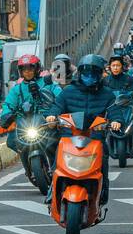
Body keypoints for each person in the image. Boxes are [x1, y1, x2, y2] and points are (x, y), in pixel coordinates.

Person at [52, 54, 125, 205]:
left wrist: (116, 121)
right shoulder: (68, 91)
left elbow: (114, 111)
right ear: (79, 73)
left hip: (95, 137)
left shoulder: (107, 94)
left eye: (93, 73)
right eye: (86, 72)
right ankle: (51, 189)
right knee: (56, 154)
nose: (89, 76)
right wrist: (51, 116)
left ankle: (103, 191)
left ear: (100, 75)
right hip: (69, 135)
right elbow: (56, 107)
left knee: (103, 159)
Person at [0, 55, 61, 153]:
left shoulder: (48, 84)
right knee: (11, 142)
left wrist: (54, 113)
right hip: (24, 124)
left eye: (30, 68)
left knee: (58, 141)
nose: (27, 72)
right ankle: (24, 157)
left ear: (37, 69)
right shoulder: (17, 89)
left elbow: (60, 98)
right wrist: (6, 115)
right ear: (21, 72)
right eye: (24, 69)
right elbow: (8, 104)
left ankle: (55, 165)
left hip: (46, 121)